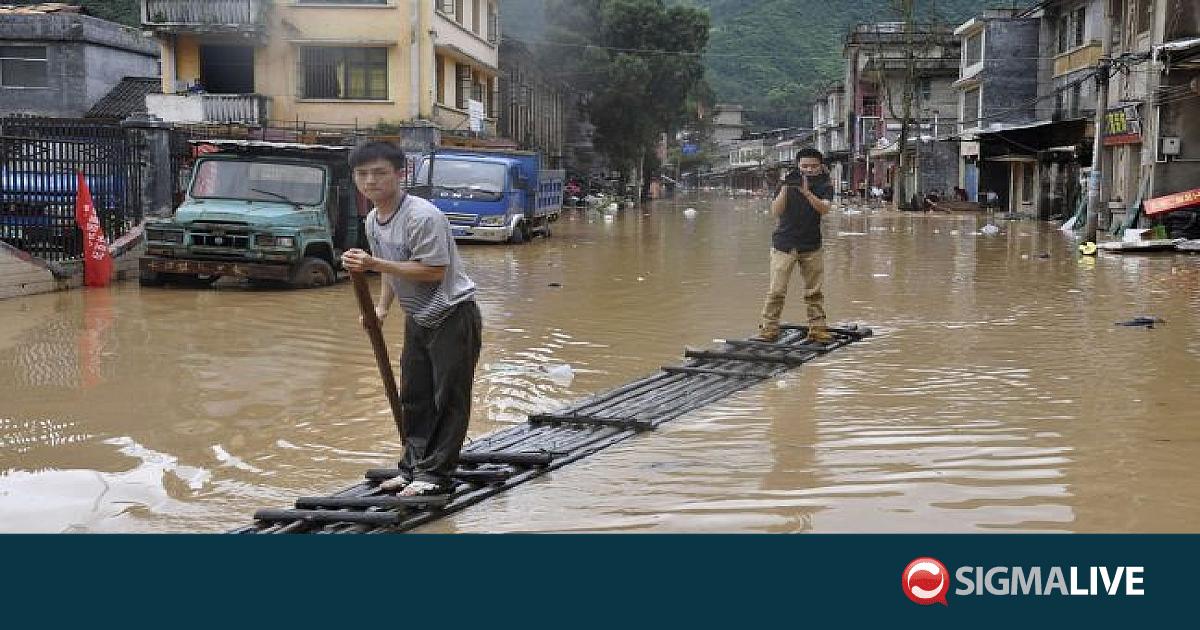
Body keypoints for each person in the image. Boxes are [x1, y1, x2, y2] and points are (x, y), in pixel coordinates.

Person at [340, 142, 482, 497]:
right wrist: (382, 308)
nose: (370, 181)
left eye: (379, 173)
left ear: (400, 174)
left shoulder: (422, 216)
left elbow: (432, 271)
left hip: (452, 313)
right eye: (362, 174)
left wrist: (374, 265)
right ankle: (413, 467)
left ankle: (436, 474)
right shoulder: (374, 219)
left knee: (448, 396)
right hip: (417, 315)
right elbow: (392, 268)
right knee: (415, 394)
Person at [756, 148, 835, 344]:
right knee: (776, 290)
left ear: (821, 166)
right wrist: (785, 187)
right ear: (798, 166)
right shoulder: (787, 184)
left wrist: (807, 193)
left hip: (811, 245)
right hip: (784, 244)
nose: (809, 170)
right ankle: (769, 329)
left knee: (813, 291)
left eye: (813, 166)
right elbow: (775, 211)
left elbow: (824, 209)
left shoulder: (825, 184)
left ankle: (817, 329)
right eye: (804, 166)